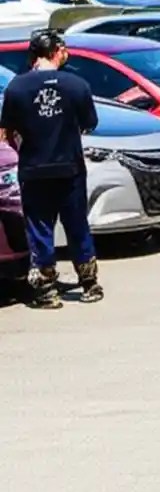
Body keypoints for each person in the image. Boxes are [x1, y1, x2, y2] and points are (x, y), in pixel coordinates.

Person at [0, 29, 100, 309]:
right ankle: (89, 283)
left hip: (33, 168)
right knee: (77, 223)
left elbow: (7, 131)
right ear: (56, 51)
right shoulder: (76, 85)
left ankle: (45, 289)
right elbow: (88, 123)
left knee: (39, 227)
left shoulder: (17, 87)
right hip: (70, 166)